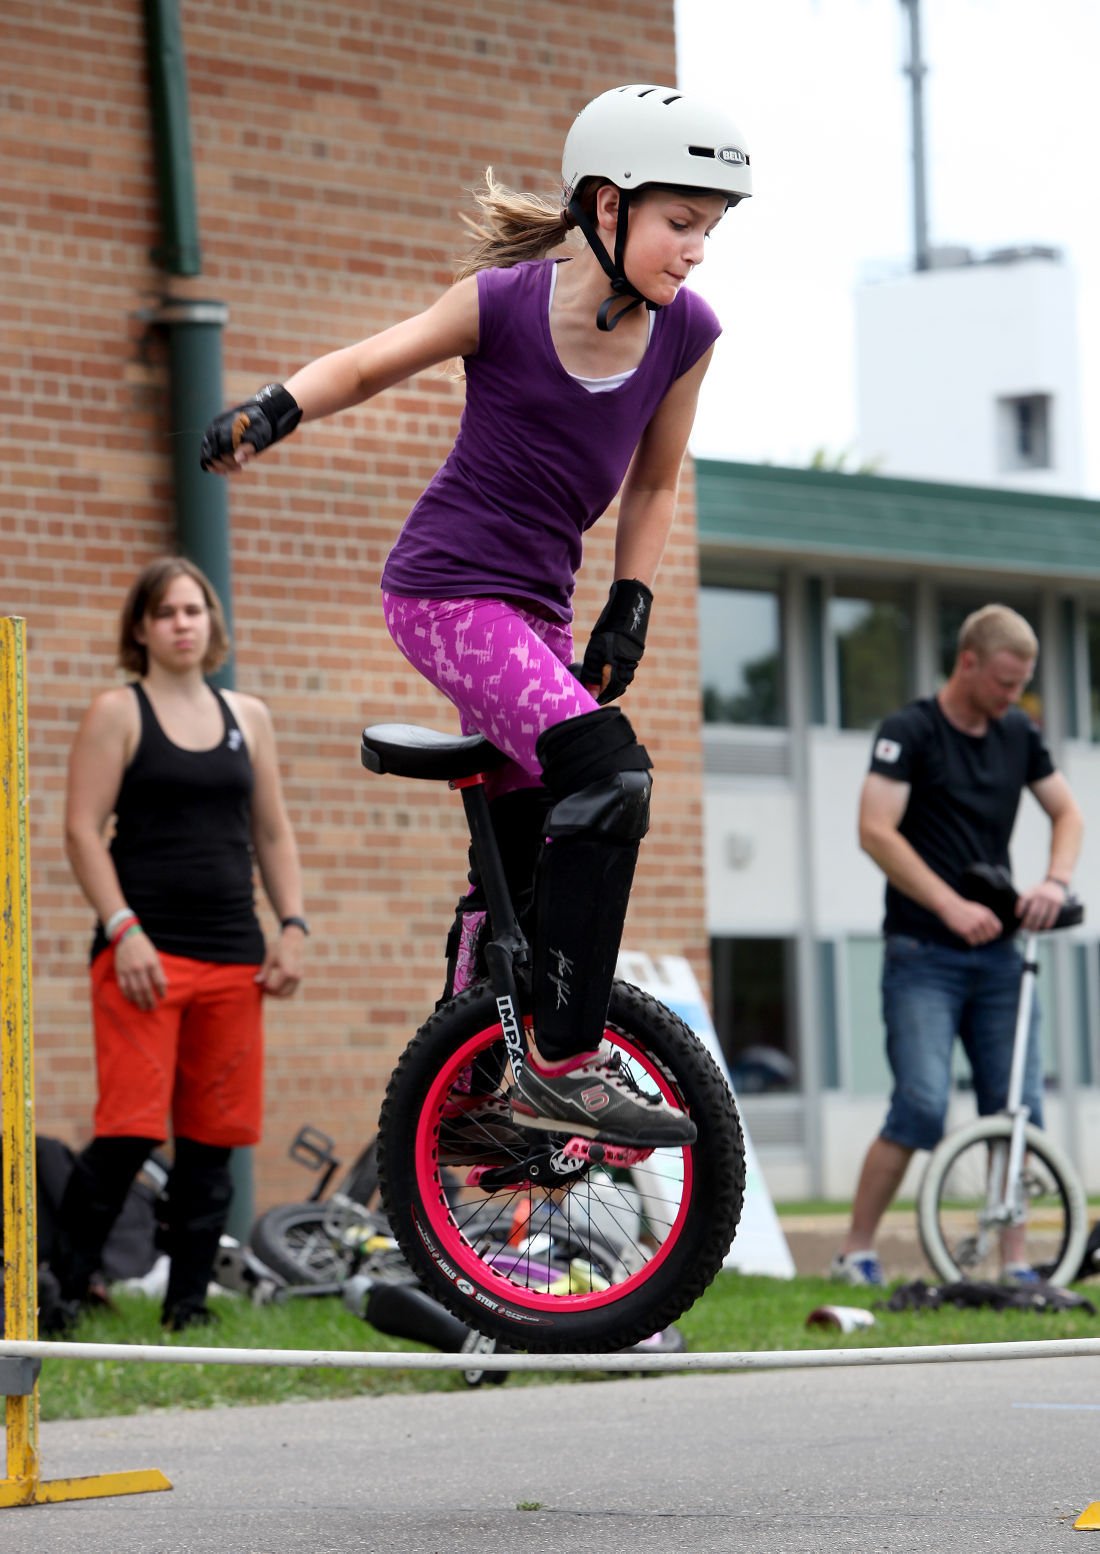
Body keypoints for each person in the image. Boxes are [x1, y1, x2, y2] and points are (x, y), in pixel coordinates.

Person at [200, 83, 752, 1151]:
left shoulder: (688, 333)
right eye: (679, 224)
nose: (695, 251)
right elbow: (367, 362)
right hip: (445, 589)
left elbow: (652, 485)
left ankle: (469, 1082)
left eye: (709, 231)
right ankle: (561, 1061)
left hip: (538, 610)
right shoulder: (500, 303)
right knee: (610, 773)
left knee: (525, 838)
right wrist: (272, 410)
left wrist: (627, 605)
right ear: (606, 206)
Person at [46, 557, 307, 1332]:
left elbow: (271, 830)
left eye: (194, 610)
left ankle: (186, 1307)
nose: (183, 623)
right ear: (141, 628)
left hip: (234, 954)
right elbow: (80, 831)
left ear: (212, 623)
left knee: (211, 1139)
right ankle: (57, 1294)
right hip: (141, 957)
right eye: (166, 613)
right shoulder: (117, 712)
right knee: (128, 1129)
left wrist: (292, 925)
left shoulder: (247, 716)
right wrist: (122, 928)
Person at [832, 603, 1084, 1287]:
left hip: (1002, 957)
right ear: (968, 661)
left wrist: (1055, 882)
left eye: (1021, 684)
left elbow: (1067, 811)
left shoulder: (1018, 735)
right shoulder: (909, 732)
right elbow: (875, 830)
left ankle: (1016, 1263)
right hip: (923, 956)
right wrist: (947, 903)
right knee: (919, 1103)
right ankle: (855, 1251)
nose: (1013, 696)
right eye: (1005, 682)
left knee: (1015, 1107)